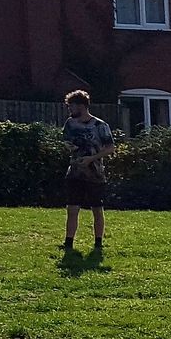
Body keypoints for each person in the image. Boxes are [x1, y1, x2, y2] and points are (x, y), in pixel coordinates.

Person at [62, 89, 114, 251]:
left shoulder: (100, 125)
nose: (70, 110)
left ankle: (98, 242)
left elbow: (110, 148)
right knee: (72, 208)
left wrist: (91, 158)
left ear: (82, 106)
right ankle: (68, 243)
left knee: (97, 209)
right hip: (75, 172)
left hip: (95, 173)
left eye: (72, 106)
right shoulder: (70, 124)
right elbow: (66, 141)